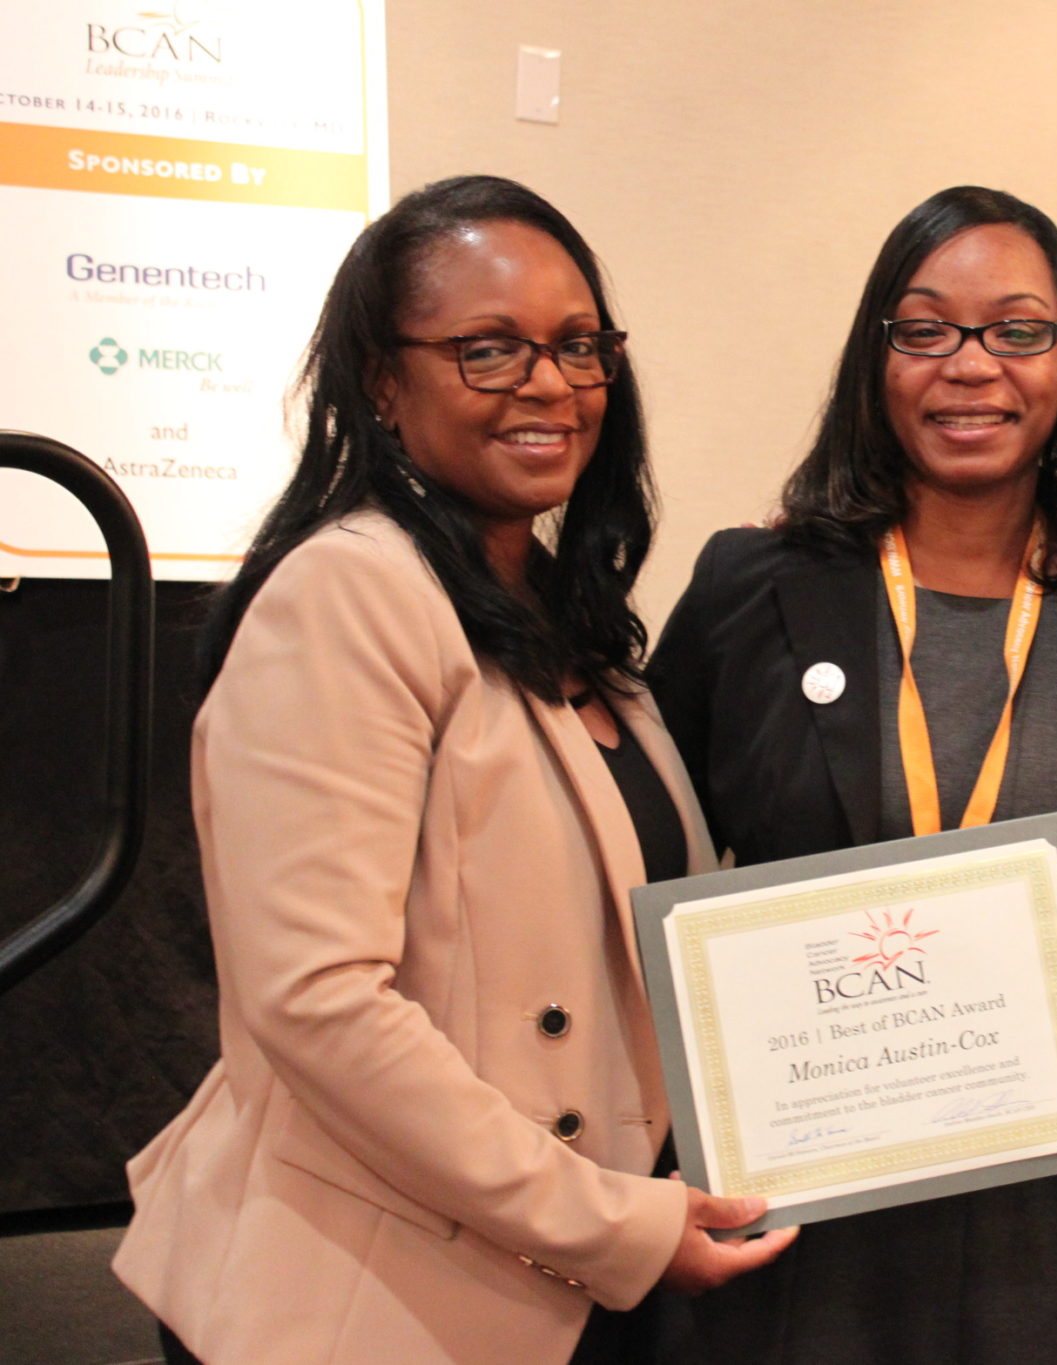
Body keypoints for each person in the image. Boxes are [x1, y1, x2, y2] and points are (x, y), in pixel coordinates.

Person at [112, 174, 793, 1365]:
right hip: (374, 1292)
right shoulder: (350, 591)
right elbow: (320, 1005)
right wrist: (609, 1223)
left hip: (560, 1270)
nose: (549, 384)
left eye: (577, 346)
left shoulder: (560, 614)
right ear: (382, 381)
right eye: (488, 349)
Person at [648, 185, 1057, 1363]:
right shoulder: (753, 589)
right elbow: (637, 848)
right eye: (924, 330)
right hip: (799, 1221)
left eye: (1017, 330)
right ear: (876, 359)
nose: (971, 365)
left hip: (1048, 1227)